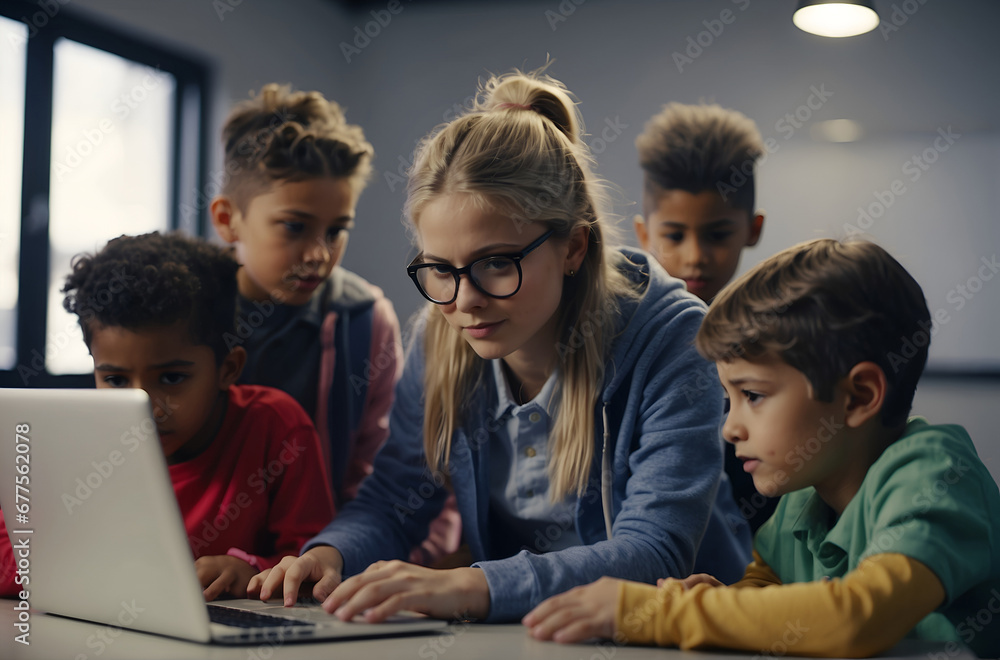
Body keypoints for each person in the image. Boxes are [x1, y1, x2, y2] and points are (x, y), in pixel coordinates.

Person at [248, 70, 751, 623]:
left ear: (572, 247)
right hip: (527, 632)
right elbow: (396, 497)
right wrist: (328, 554)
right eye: (441, 269)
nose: (465, 301)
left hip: (681, 637)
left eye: (495, 263)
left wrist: (471, 585)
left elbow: (656, 553)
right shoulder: (440, 337)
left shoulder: (673, 337)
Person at [523, 238, 1000, 658]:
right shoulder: (803, 497)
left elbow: (859, 616)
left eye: (752, 395)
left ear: (858, 396)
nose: (730, 428)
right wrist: (721, 597)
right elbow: (770, 589)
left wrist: (660, 613)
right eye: (728, 399)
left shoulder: (936, 475)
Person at [0, 232, 336, 601]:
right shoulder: (67, 440)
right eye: (116, 380)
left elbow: (312, 565)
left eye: (172, 378)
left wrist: (251, 570)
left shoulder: (277, 428)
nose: (145, 405)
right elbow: (6, 555)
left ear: (227, 369)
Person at [208, 84, 460, 563]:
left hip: (317, 568)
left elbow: (381, 481)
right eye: (294, 226)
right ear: (227, 219)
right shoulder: (186, 315)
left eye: (336, 230)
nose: (319, 254)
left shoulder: (365, 321)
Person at [634, 101, 774, 533]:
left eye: (717, 234)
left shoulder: (780, 342)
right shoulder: (624, 339)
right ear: (643, 234)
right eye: (674, 235)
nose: (695, 256)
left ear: (753, 229)